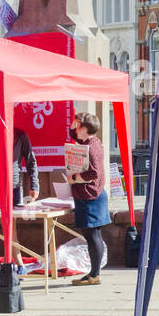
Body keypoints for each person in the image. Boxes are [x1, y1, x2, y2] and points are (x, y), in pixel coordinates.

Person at [67, 112, 108, 285]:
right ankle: (94, 273)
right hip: (92, 195)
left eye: (78, 125)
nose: (75, 128)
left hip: (89, 195)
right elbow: (72, 135)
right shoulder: (92, 142)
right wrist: (73, 123)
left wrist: (74, 178)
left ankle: (94, 274)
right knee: (93, 235)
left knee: (92, 236)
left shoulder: (89, 147)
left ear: (85, 128)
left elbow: (94, 173)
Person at [0, 116, 39, 210]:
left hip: (14, 187)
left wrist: (34, 185)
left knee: (13, 221)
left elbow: (31, 161)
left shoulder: (20, 135)